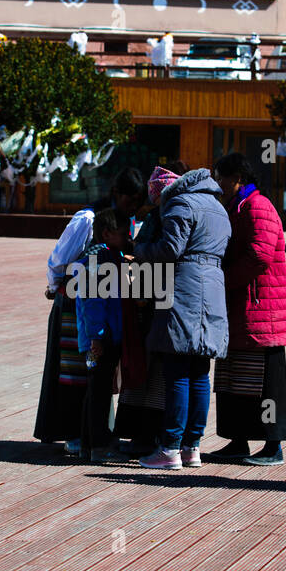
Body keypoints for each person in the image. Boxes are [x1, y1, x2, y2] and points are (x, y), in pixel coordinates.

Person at [34, 167, 146, 454]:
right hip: (75, 304)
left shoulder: (127, 224)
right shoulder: (88, 219)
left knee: (96, 376)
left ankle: (93, 435)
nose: (133, 208)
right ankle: (74, 434)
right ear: (117, 194)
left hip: (104, 307)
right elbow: (58, 260)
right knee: (74, 373)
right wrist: (54, 287)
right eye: (130, 200)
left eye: (137, 202)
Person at [132, 166, 231, 470]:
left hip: (183, 286)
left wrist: (139, 248)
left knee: (176, 369)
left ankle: (170, 449)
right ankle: (192, 448)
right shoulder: (217, 206)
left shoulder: (180, 203)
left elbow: (169, 249)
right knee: (200, 372)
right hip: (213, 287)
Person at [206, 153, 286, 466]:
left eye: (221, 177)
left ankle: (273, 446)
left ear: (237, 178)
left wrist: (222, 280)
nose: (218, 184)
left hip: (261, 309)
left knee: (265, 382)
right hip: (239, 307)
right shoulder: (236, 206)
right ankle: (237, 440)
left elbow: (259, 256)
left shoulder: (258, 206)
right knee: (233, 378)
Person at [115, 165, 181, 456]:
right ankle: (148, 435)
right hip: (162, 300)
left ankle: (143, 435)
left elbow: (145, 253)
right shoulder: (170, 215)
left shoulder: (162, 217)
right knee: (152, 370)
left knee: (149, 368)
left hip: (154, 303)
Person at [72, 208, 128, 462]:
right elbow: (93, 302)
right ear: (106, 233)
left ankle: (87, 445)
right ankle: (99, 447)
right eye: (122, 234)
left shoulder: (105, 258)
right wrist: (97, 337)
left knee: (95, 389)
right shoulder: (97, 262)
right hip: (100, 338)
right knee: (99, 392)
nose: (126, 238)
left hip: (101, 336)